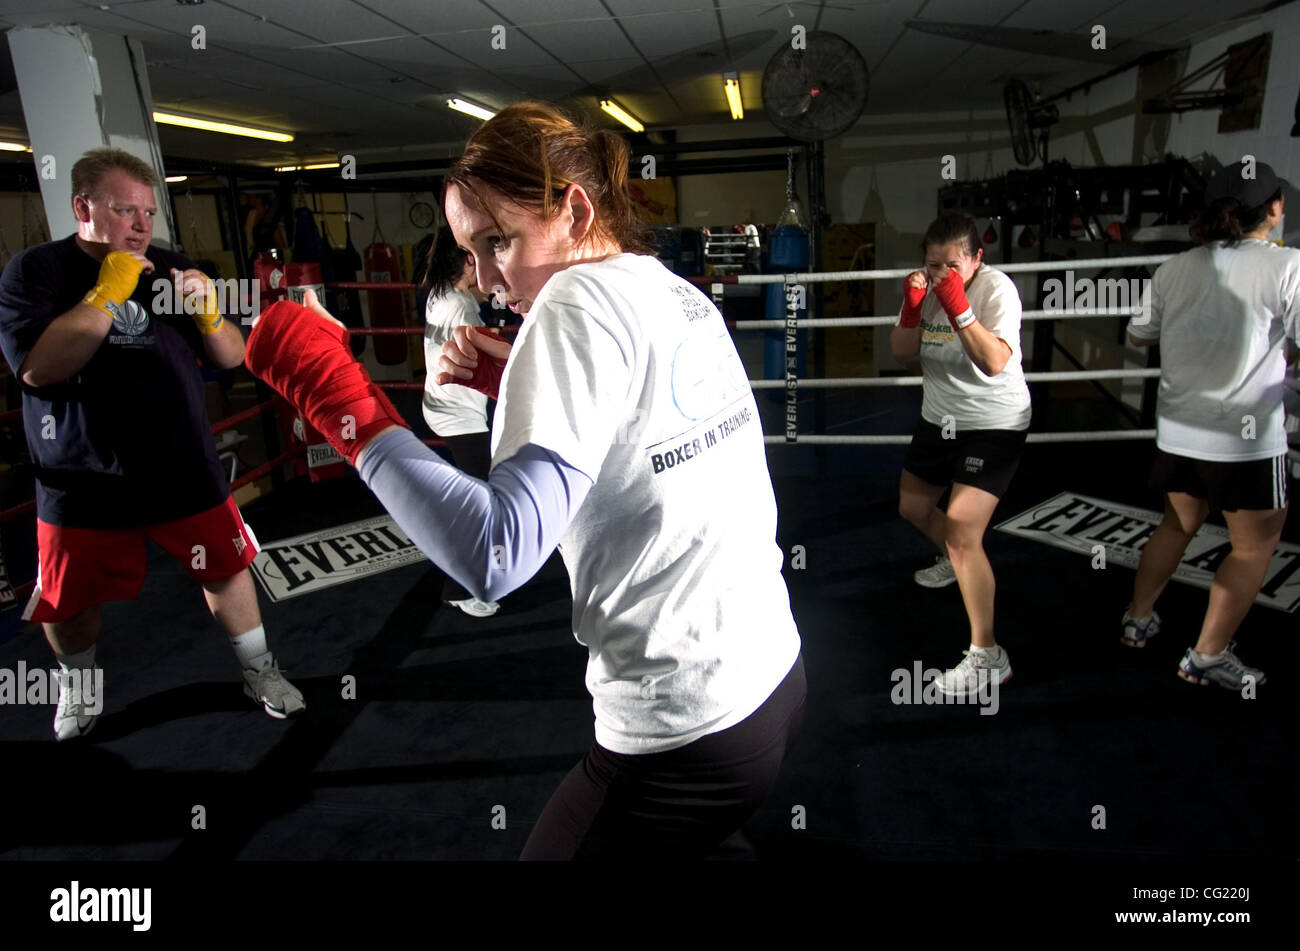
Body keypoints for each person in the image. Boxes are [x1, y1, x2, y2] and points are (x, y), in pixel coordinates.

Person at [243, 102, 805, 860]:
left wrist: (336, 395)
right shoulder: (670, 291)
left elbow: (497, 555)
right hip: (770, 677)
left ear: (575, 210)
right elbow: (647, 433)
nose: (481, 278)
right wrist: (514, 382)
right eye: (469, 251)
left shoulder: (570, 304)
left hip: (681, 727)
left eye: (498, 241)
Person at [0, 148, 304, 740]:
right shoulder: (37, 272)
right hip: (82, 473)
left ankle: (259, 669)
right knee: (70, 599)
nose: (142, 225)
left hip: (180, 463)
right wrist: (107, 292)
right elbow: (38, 370)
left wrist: (211, 316)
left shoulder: (170, 265)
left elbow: (232, 357)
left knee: (226, 569)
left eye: (147, 211)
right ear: (82, 207)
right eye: (124, 210)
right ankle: (79, 691)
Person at [1122, 160, 1298, 689]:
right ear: (1275, 208)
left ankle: (1137, 620)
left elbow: (1138, 335)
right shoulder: (1286, 265)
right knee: (1252, 548)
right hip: (1241, 442)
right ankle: (1206, 654)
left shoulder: (1175, 269)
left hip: (1179, 432)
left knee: (1177, 525)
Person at [890, 212, 1031, 696]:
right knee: (913, 508)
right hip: (940, 418)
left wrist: (959, 307)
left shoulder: (996, 291)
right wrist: (912, 309)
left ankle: (989, 657)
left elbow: (994, 362)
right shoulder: (925, 286)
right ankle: (954, 557)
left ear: (976, 259)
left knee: (962, 530)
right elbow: (901, 353)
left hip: (992, 423)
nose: (941, 274)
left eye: (953, 265)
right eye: (933, 265)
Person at [419, 225, 498, 617]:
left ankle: (474, 574)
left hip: (443, 408)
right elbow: (484, 357)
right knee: (478, 502)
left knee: (478, 493)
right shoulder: (461, 307)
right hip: (460, 416)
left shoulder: (442, 295)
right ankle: (458, 588)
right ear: (469, 261)